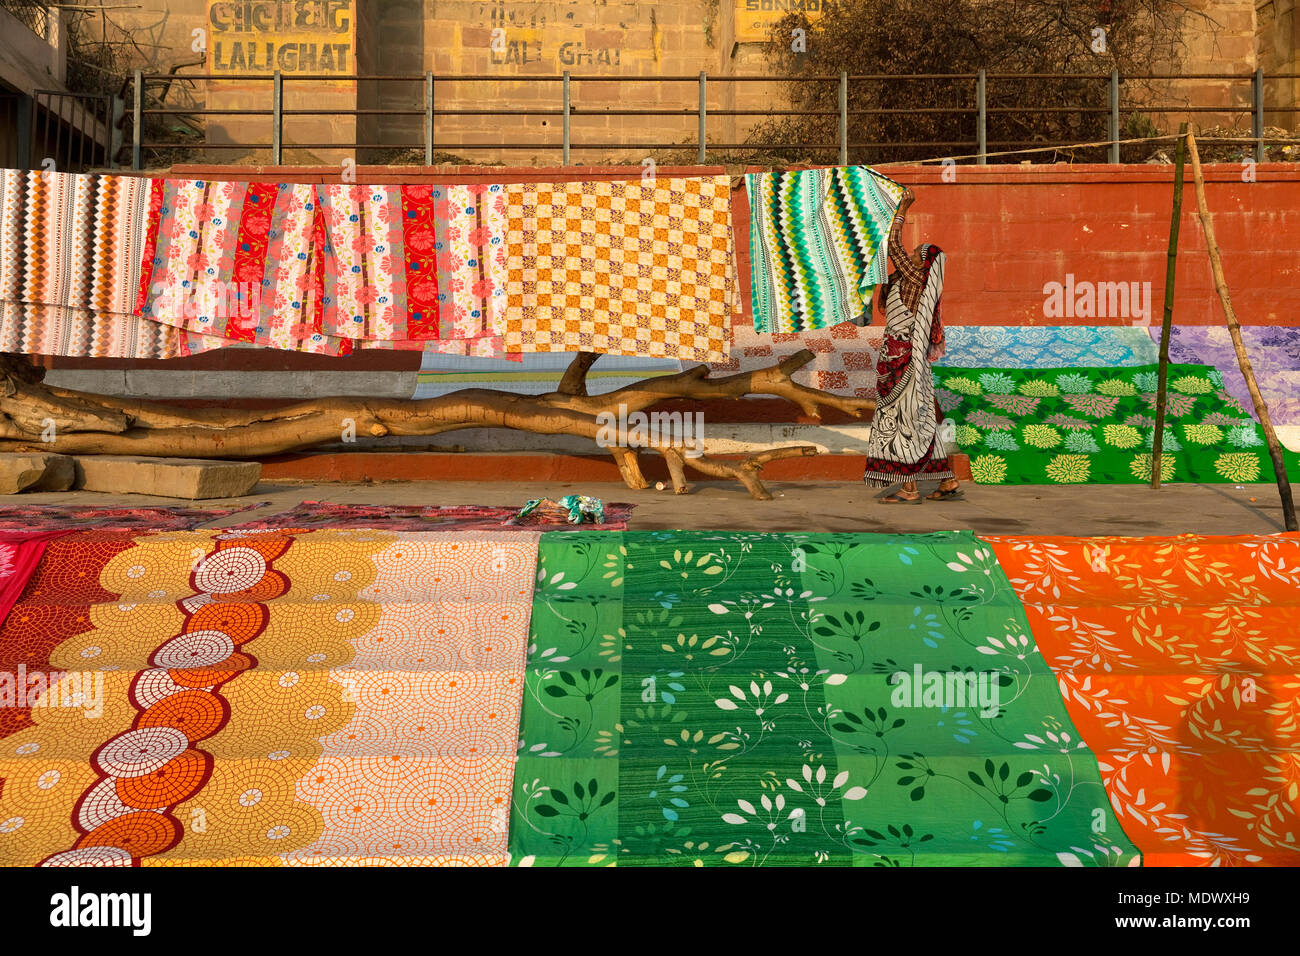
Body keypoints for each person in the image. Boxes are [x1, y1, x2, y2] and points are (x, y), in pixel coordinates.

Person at [861, 187, 964, 503]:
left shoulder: (915, 280)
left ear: (922, 264)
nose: (910, 252)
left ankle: (909, 488)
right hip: (906, 359)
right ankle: (946, 480)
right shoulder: (907, 282)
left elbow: (892, 245)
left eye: (916, 251)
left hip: (902, 361)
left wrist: (903, 207)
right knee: (921, 419)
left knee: (904, 420)